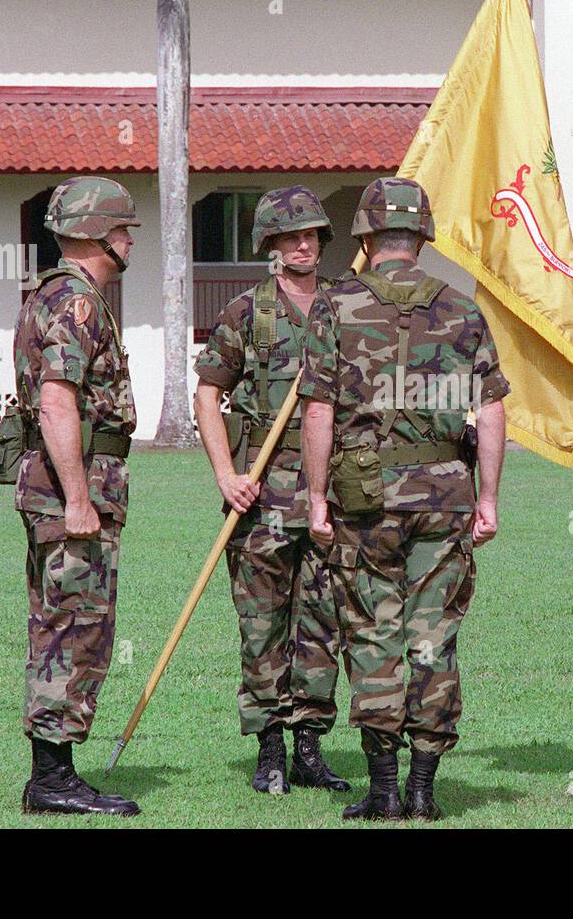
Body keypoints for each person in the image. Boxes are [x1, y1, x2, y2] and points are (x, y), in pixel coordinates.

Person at [299, 177, 509, 821]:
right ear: (421, 237)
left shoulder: (335, 307)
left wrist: (314, 500)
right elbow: (493, 408)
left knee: (372, 634)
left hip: (366, 500)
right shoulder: (462, 309)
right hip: (446, 494)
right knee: (432, 637)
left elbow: (319, 411)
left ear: (365, 236)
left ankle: (384, 790)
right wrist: (489, 499)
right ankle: (423, 789)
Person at [192, 186, 350, 795]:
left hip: (330, 490)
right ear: (271, 247)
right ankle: (269, 747)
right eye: (290, 237)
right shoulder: (247, 313)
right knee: (262, 623)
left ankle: (310, 744)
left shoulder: (347, 306)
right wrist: (225, 476)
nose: (303, 244)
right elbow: (208, 393)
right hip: (260, 490)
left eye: (311, 234)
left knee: (322, 620)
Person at [14, 176, 141, 816]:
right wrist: (78, 498)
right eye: (122, 230)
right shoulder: (75, 304)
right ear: (94, 234)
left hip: (64, 489)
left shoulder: (60, 295)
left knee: (64, 624)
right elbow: (58, 401)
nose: (127, 240)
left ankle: (53, 773)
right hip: (72, 494)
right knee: (73, 628)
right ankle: (53, 779)